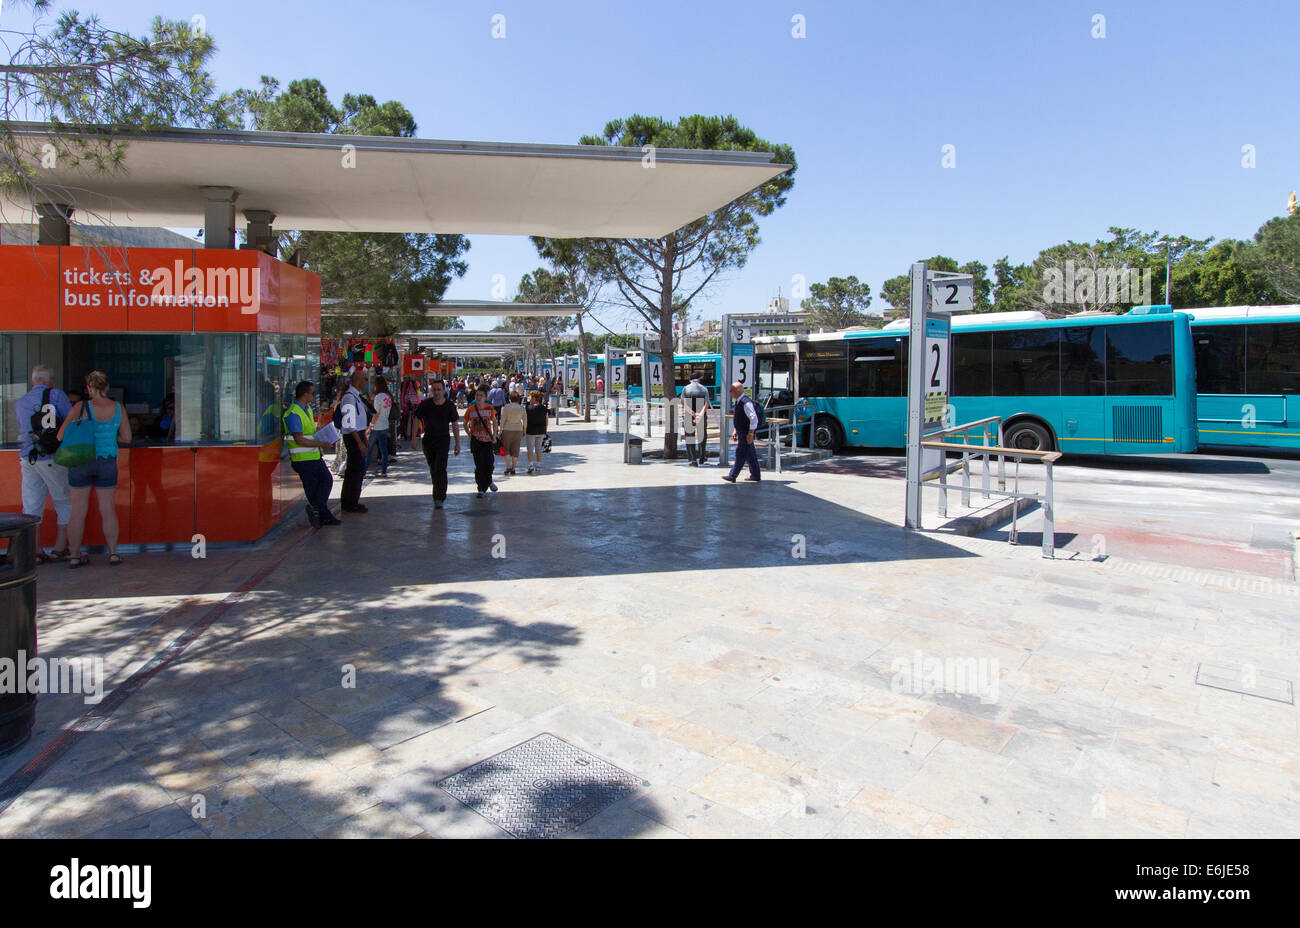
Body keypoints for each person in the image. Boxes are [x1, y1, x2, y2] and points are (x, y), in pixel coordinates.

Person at [57, 370, 131, 566]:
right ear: (107, 387)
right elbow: (127, 438)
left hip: (81, 460)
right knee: (107, 509)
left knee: (78, 511)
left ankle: (74, 556)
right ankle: (113, 553)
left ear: (88, 388)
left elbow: (60, 435)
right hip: (107, 461)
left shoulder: (81, 407)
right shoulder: (118, 408)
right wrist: (108, 437)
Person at [15, 365, 72, 562]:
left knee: (31, 503)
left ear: (33, 381)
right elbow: (70, 420)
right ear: (50, 380)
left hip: (27, 457)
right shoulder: (56, 395)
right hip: (52, 456)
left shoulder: (21, 401)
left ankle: (35, 550)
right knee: (63, 499)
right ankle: (59, 547)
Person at [283, 381, 340, 527]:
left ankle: (319, 511)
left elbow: (310, 433)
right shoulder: (293, 413)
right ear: (305, 394)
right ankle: (322, 513)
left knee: (325, 482)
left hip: (313, 456)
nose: (314, 396)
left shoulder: (306, 409)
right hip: (303, 459)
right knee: (316, 487)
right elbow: (299, 439)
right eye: (312, 393)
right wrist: (321, 444)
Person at [410, 379, 461, 509]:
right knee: (433, 468)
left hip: (443, 440)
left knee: (440, 467)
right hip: (429, 440)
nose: (436, 392)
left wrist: (457, 443)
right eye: (434, 390)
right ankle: (437, 492)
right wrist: (414, 437)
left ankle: (439, 496)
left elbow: (455, 424)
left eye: (439, 389)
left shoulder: (449, 405)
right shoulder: (426, 404)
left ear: (444, 391)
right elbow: (416, 418)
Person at [338, 368, 371, 512]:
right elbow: (349, 424)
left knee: (357, 469)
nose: (366, 382)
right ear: (358, 381)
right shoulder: (349, 397)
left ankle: (352, 500)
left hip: (360, 435)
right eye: (365, 379)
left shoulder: (356, 396)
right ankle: (350, 502)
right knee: (355, 469)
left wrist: (364, 439)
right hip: (353, 437)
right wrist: (359, 442)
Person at [462, 386, 499, 498]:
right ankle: (481, 488)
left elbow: (494, 421)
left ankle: (489, 480)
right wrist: (470, 435)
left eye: (481, 396)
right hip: (476, 441)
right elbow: (464, 423)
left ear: (485, 397)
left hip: (487, 440)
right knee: (479, 465)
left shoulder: (489, 408)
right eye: (477, 395)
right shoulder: (471, 409)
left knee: (489, 463)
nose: (478, 397)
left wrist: (494, 435)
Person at [722, 381, 761, 484]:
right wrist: (735, 430)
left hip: (745, 433)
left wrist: (751, 433)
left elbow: (754, 419)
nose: (730, 392)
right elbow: (739, 418)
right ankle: (756, 475)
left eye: (732, 390)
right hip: (742, 432)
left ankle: (733, 475)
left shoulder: (746, 402)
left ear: (738, 391)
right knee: (750, 455)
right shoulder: (739, 401)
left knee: (740, 454)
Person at [366, 377, 394, 477]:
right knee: (384, 450)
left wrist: (370, 426)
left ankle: (364, 471)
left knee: (368, 449)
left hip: (376, 427)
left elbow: (376, 413)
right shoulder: (388, 396)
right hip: (385, 425)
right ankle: (384, 471)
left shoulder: (378, 397)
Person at [681, 374, 711, 466]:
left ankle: (693, 460)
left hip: (689, 414)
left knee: (690, 436)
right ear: (698, 380)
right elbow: (707, 404)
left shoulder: (686, 389)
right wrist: (700, 415)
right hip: (701, 414)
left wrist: (693, 414)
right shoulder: (704, 389)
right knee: (702, 436)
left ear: (690, 380)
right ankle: (702, 457)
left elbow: (683, 404)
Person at [499, 390, 526, 475]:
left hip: (507, 429)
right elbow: (525, 420)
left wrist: (500, 430)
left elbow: (502, 420)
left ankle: (508, 467)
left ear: (510, 398)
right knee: (515, 449)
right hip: (518, 430)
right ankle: (514, 468)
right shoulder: (522, 408)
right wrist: (524, 429)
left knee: (506, 449)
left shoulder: (506, 407)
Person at [524, 390, 549, 474]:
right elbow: (546, 419)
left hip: (530, 431)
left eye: (530, 397)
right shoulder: (543, 408)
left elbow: (525, 420)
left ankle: (531, 465)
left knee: (530, 449)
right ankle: (538, 465)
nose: (529, 398)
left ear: (534, 398)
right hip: (541, 431)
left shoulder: (528, 407)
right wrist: (545, 429)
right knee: (538, 449)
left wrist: (524, 429)